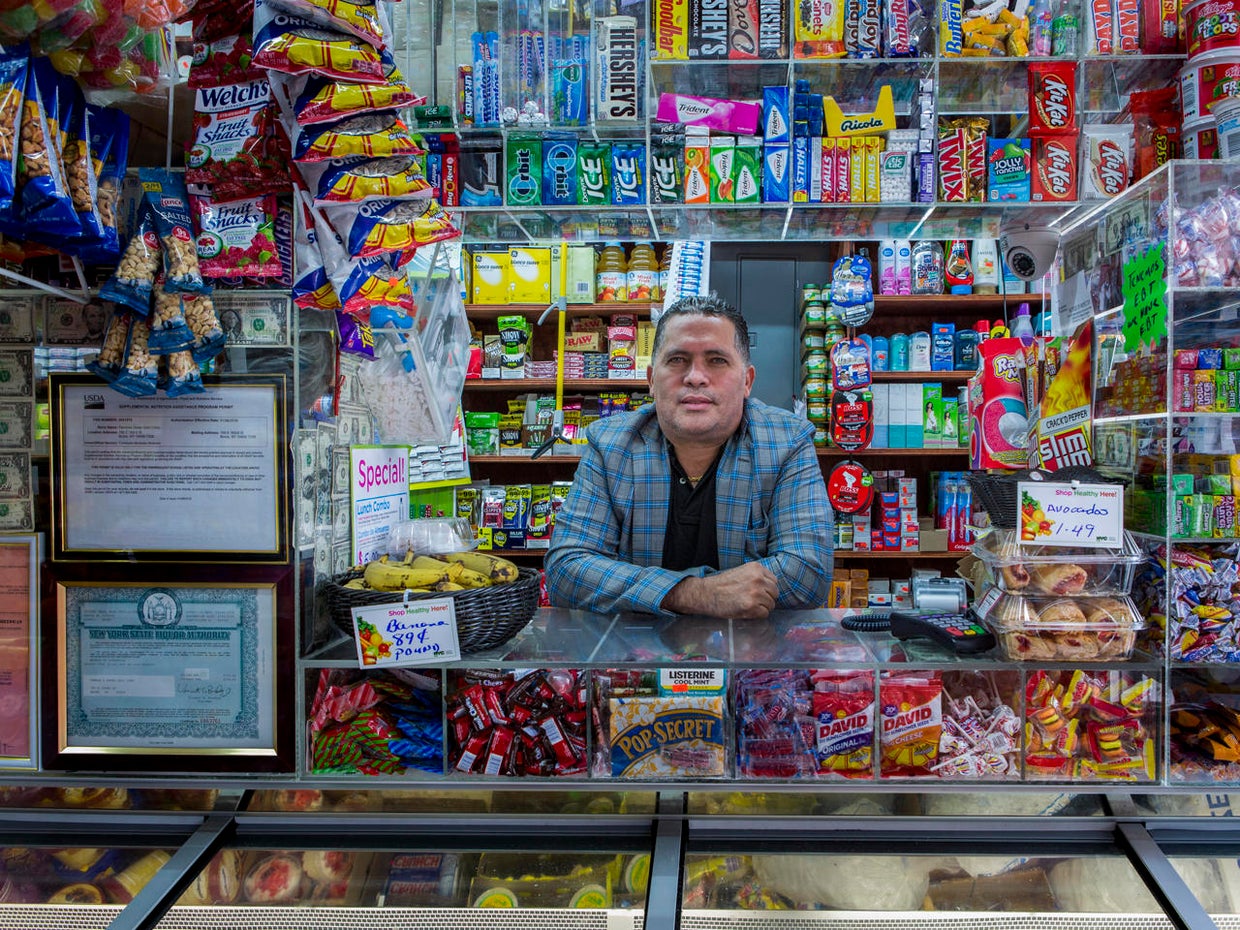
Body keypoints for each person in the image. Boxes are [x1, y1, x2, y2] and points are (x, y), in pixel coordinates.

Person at [544, 294, 834, 619]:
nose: (695, 376)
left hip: (754, 662)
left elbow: (810, 574)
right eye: (678, 359)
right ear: (651, 380)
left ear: (747, 381)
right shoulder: (611, 444)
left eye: (717, 360)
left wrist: (648, 590)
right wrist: (697, 594)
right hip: (633, 659)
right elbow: (566, 571)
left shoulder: (787, 442)